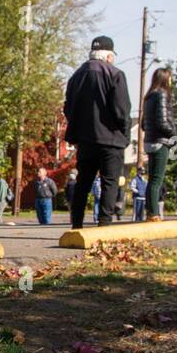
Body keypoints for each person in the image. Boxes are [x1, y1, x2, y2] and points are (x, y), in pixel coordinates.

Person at [64, 35, 131, 229]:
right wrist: (125, 135)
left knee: (83, 182)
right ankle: (104, 223)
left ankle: (76, 223)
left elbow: (68, 107)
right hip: (111, 139)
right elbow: (122, 110)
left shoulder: (76, 76)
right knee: (109, 182)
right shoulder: (116, 74)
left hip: (86, 139)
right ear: (109, 56)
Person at [140, 67, 177, 223]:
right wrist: (173, 132)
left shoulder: (149, 97)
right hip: (160, 142)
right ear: (165, 79)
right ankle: (154, 214)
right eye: (169, 78)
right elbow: (162, 121)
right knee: (157, 180)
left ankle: (150, 212)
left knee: (152, 180)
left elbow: (143, 124)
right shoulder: (162, 95)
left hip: (149, 141)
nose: (171, 81)